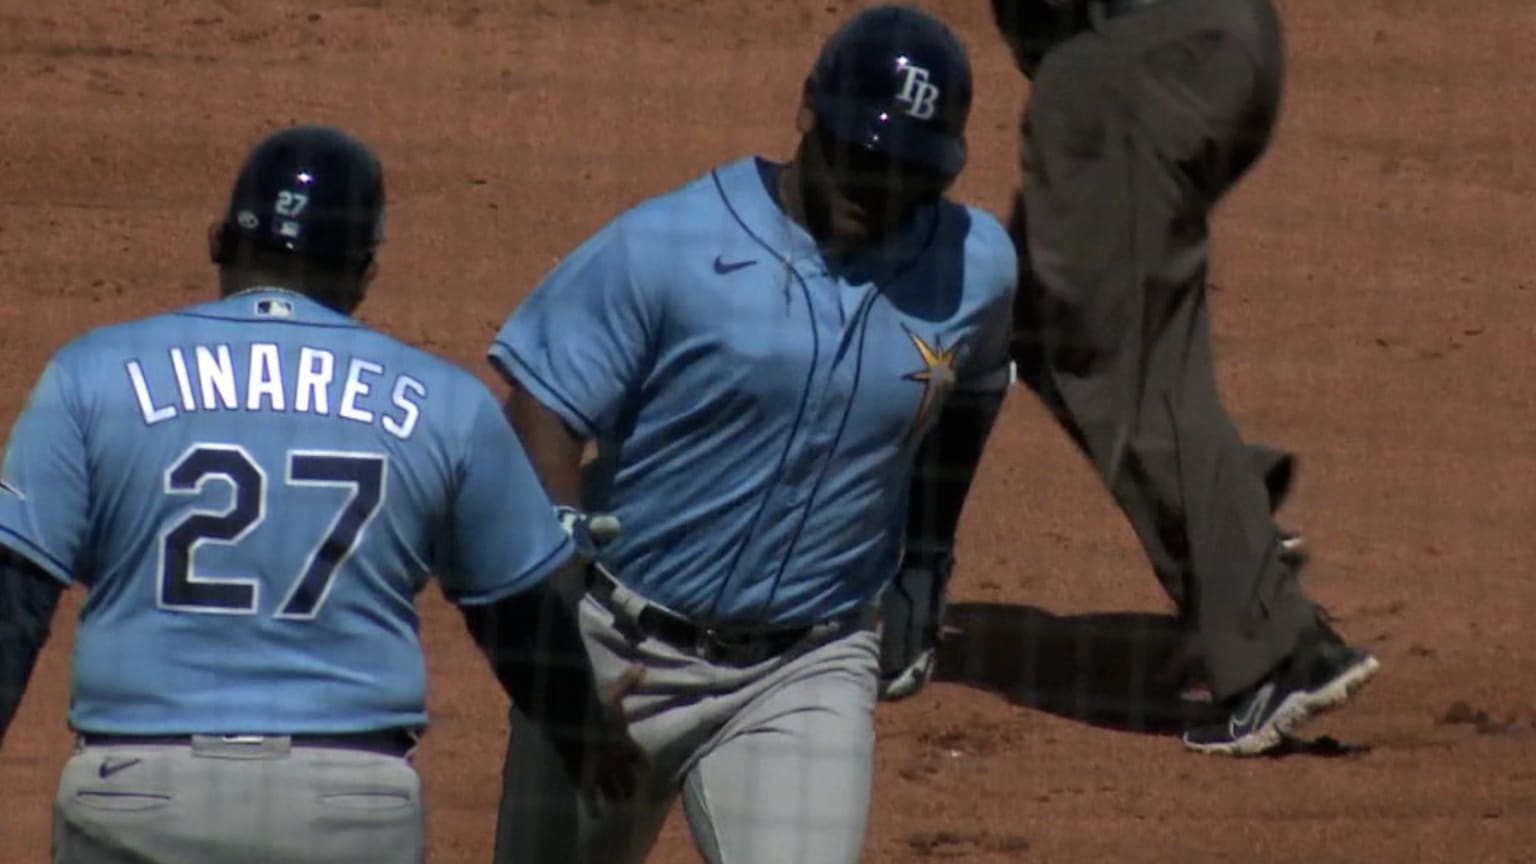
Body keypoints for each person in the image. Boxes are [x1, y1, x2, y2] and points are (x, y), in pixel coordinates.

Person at [0, 125, 640, 864]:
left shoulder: (93, 375)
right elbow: (517, 620)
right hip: (345, 806)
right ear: (363, 271)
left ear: (219, 244)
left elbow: (13, 605)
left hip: (139, 793)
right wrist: (587, 740)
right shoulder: (444, 404)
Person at [484, 6, 1016, 862]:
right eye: (859, 154)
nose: (875, 189)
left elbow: (979, 380)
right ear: (808, 109)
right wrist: (558, 624)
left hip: (808, 664)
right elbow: (540, 413)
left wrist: (926, 556)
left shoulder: (975, 265)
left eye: (907, 174)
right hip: (624, 653)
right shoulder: (669, 245)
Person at [945, 0, 1378, 755]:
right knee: (1043, 323)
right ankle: (1235, 542)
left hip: (1136, 64)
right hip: (1230, 44)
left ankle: (1282, 652)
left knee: (1126, 370)